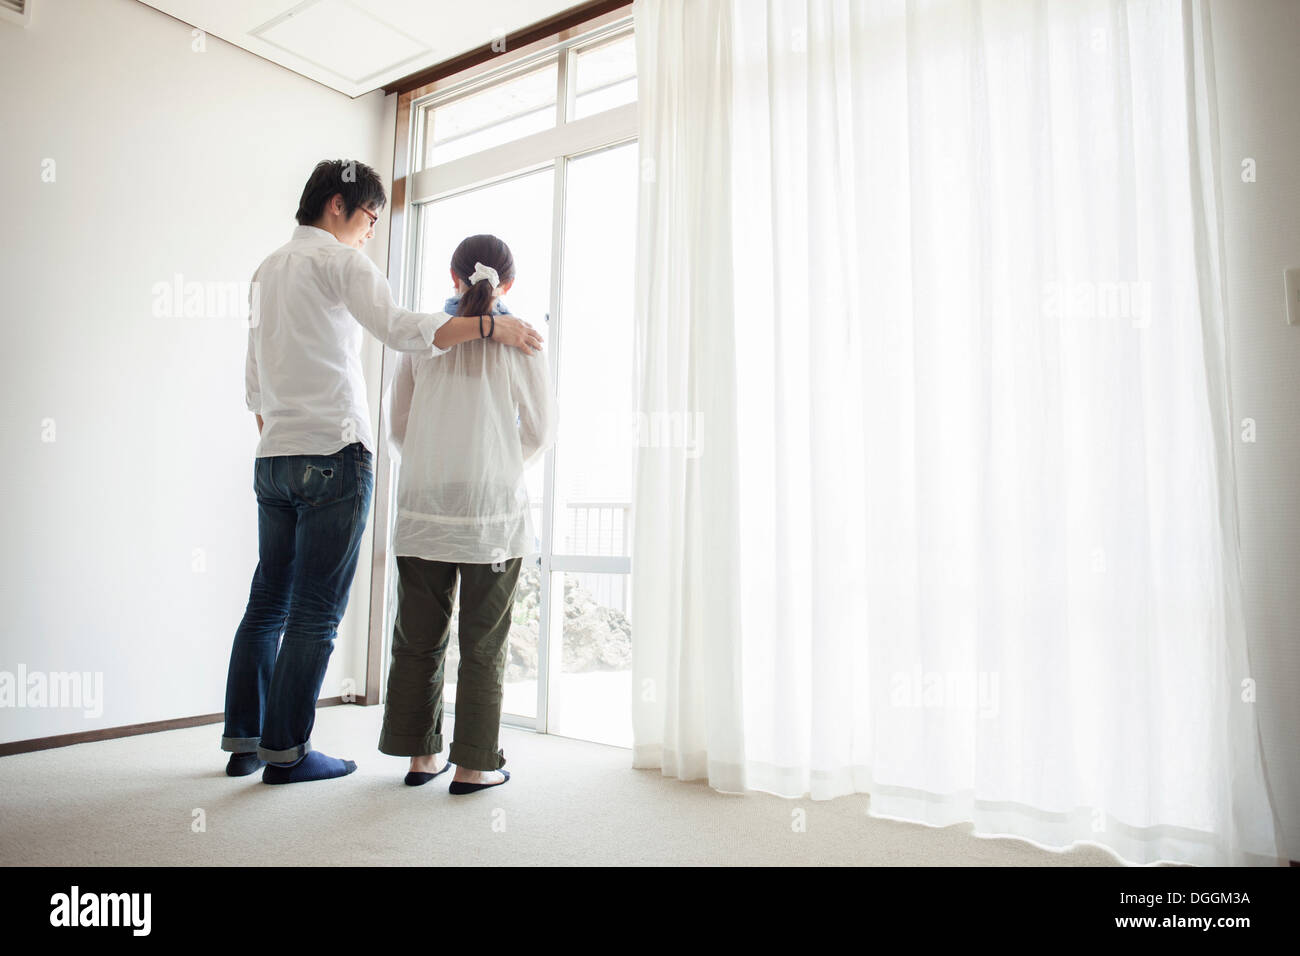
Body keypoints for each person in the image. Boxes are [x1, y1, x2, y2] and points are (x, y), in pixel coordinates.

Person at [222, 162, 544, 785]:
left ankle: (246, 742)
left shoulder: (266, 270)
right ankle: (286, 753)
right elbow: (401, 331)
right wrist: (489, 324)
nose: (371, 231)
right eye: (370, 218)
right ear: (339, 206)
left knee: (267, 600)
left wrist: (275, 437)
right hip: (333, 449)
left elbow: (254, 369)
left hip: (274, 453)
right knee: (316, 611)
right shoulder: (342, 263)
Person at [379, 234, 557, 794]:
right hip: (491, 510)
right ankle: (474, 765)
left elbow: (400, 426)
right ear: (509, 285)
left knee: (417, 638)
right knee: (484, 643)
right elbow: (541, 430)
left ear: (452, 277)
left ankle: (419, 758)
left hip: (426, 508)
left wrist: (436, 469)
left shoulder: (423, 335)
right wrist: (499, 465)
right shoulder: (523, 338)